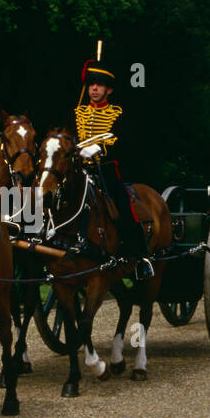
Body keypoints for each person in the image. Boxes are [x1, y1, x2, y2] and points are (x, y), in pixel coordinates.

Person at [74, 58, 154, 280]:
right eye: (91, 84)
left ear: (108, 89)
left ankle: (140, 257)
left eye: (99, 85)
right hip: (78, 171)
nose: (94, 88)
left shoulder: (116, 114)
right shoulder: (78, 113)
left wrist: (99, 150)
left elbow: (122, 143)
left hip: (105, 171)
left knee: (123, 207)